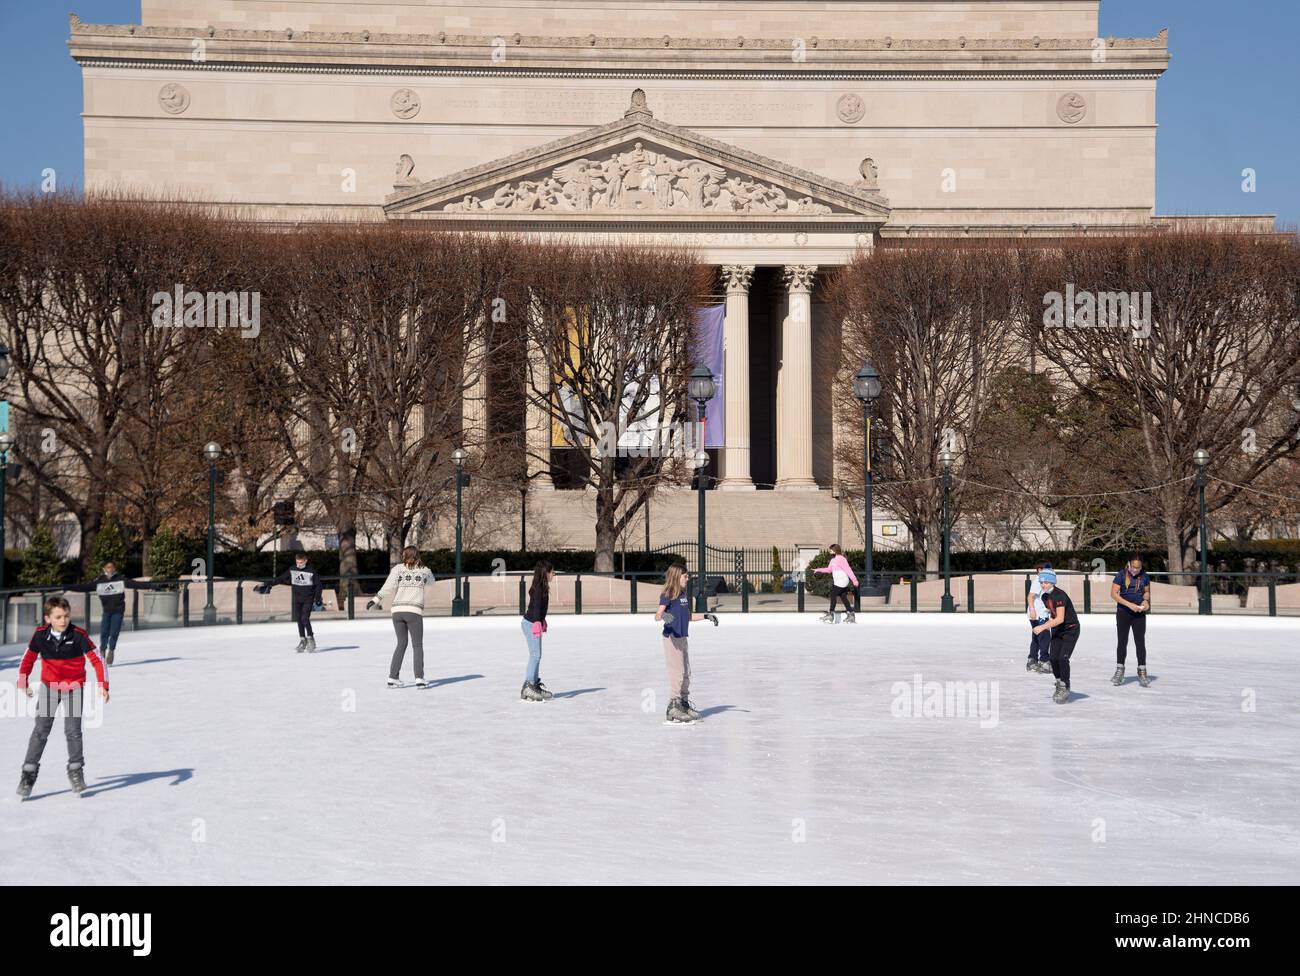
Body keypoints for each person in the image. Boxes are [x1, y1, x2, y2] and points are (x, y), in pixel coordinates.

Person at [15, 597, 109, 799]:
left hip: (74, 688)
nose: (63, 620)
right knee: (41, 730)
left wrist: (103, 684)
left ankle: (76, 771)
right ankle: (28, 774)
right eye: (58, 617)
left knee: (73, 731)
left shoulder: (79, 635)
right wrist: (23, 679)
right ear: (48, 618)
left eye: (66, 616)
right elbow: (28, 658)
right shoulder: (40, 636)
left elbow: (97, 659)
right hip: (50, 688)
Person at [654, 564, 718, 724]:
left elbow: (687, 616)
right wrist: (665, 617)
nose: (687, 579)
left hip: (682, 637)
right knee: (677, 672)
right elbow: (658, 614)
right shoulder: (668, 594)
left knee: (686, 672)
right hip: (672, 637)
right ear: (677, 576)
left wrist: (705, 616)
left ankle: (683, 703)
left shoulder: (682, 595)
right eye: (685, 576)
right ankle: (673, 706)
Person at [367, 547, 434, 688]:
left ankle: (392, 677)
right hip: (413, 611)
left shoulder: (397, 569)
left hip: (397, 611)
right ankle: (419, 678)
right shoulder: (425, 570)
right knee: (417, 645)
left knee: (401, 644)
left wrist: (375, 600)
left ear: (404, 555)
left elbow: (388, 586)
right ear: (417, 555)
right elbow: (432, 583)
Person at [67, 560, 153, 666]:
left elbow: (135, 584)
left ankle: (111, 651)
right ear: (104, 569)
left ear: (115, 569)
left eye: (112, 567)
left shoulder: (120, 580)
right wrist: (68, 587)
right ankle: (102, 650)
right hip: (107, 611)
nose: (110, 569)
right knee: (104, 632)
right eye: (108, 567)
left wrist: (151, 585)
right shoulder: (100, 581)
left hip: (118, 611)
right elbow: (85, 587)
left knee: (114, 632)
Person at [255, 553, 325, 652]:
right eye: (297, 562)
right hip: (296, 599)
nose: (299, 564)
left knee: (305, 618)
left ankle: (311, 639)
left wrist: (318, 598)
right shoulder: (292, 569)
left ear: (306, 561)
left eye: (301, 562)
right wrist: (269, 583)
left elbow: (318, 585)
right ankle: (302, 640)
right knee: (299, 619)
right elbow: (281, 578)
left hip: (308, 599)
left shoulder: (311, 571)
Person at [1032, 570, 1081, 704]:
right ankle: (1059, 682)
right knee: (1053, 658)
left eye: (1046, 582)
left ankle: (1065, 685)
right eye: (1041, 582)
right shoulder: (1045, 597)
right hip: (1057, 631)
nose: (1043, 585)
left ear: (1052, 582)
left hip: (1070, 630)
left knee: (1062, 658)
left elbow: (1060, 618)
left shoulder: (1059, 595)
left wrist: (1042, 627)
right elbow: (1052, 613)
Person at [1111, 555, 1151, 687]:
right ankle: (1119, 670)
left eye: (1138, 568)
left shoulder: (1144, 576)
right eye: (1133, 567)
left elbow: (1146, 592)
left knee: (1140, 642)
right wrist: (1129, 605)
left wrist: (1145, 601)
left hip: (1139, 614)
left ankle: (1142, 670)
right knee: (1122, 641)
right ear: (1128, 564)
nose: (1135, 570)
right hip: (1124, 612)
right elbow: (1113, 594)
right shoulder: (1121, 575)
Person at [520, 560, 555, 702]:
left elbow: (539, 607)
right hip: (530, 623)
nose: (554, 575)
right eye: (552, 572)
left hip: (533, 622)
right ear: (545, 573)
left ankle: (533, 684)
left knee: (537, 655)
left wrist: (542, 620)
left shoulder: (542, 587)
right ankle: (529, 685)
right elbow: (536, 606)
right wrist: (536, 621)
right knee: (535, 655)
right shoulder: (539, 588)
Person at [814, 544, 860, 624]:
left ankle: (831, 614)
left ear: (835, 550)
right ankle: (851, 614)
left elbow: (848, 569)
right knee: (843, 597)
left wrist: (854, 580)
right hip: (837, 581)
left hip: (842, 580)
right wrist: (818, 569)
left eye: (831, 550)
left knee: (833, 594)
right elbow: (829, 570)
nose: (830, 551)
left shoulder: (841, 559)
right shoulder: (833, 560)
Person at [1025, 562, 1053, 674]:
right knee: (1045, 637)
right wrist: (1032, 610)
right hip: (1038, 614)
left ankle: (1032, 660)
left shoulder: (1044, 580)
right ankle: (1044, 661)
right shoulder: (1039, 580)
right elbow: (1030, 596)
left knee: (1036, 637)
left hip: (1040, 613)